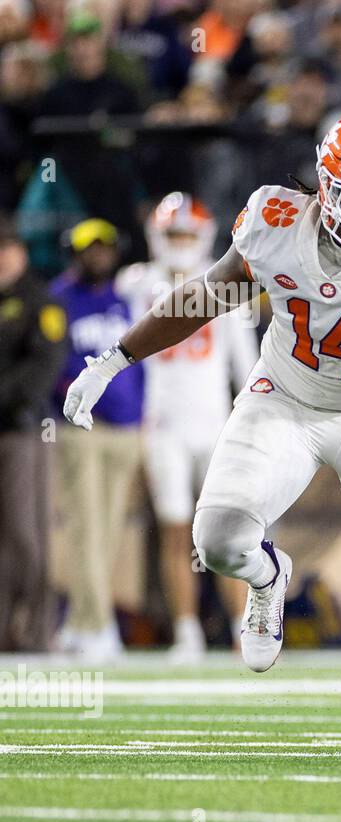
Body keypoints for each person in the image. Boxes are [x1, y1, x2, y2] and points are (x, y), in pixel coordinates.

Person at [61, 108, 341, 756]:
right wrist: (114, 359)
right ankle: (267, 574)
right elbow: (204, 298)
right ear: (327, 186)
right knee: (215, 540)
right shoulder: (273, 220)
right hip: (285, 400)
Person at [116, 193, 259, 662]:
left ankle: (243, 629)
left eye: (185, 234)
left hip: (216, 424)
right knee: (175, 531)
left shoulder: (227, 290)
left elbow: (248, 368)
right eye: (171, 234)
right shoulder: (138, 285)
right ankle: (186, 631)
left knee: (229, 529)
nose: (178, 243)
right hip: (163, 426)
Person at [52, 218, 144, 662]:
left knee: (106, 533)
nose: (98, 254)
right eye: (89, 247)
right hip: (80, 431)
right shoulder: (59, 300)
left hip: (125, 429)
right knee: (86, 529)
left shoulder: (125, 299)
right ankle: (100, 626)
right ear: (74, 252)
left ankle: (77, 623)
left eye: (104, 246)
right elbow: (52, 363)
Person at [0, 216, 65, 652]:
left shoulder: (38, 300)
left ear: (19, 252)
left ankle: (41, 631)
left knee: (27, 533)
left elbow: (45, 364)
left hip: (23, 431)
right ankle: (6, 632)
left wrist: (6, 396)